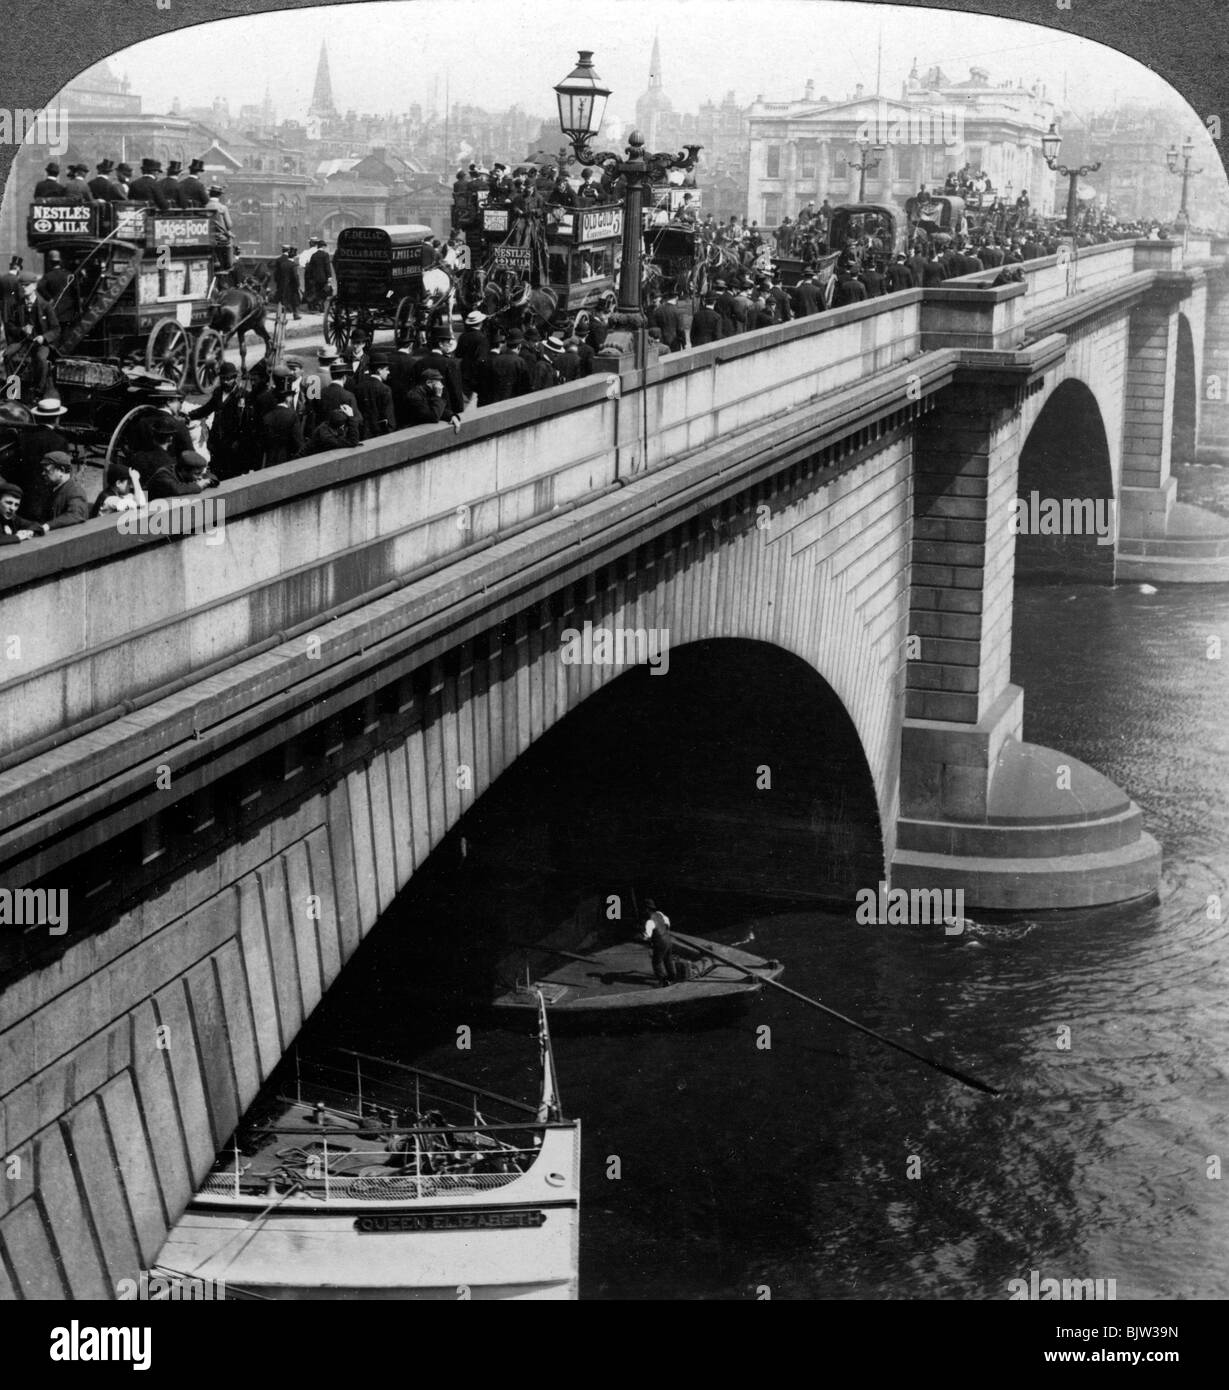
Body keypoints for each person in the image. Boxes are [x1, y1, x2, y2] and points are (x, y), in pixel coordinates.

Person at [188, 361, 253, 479]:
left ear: (235, 378)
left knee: (231, 476)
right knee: (216, 474)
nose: (226, 382)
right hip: (216, 442)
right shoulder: (218, 392)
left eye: (229, 379)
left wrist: (239, 443)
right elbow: (207, 408)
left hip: (232, 444)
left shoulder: (243, 395)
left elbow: (246, 423)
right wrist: (190, 415)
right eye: (223, 379)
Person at [27, 451, 88, 532]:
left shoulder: (75, 491)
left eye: (47, 470)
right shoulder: (53, 487)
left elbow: (75, 515)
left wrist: (47, 526)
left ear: (62, 470)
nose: (43, 473)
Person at [146, 449, 217, 499]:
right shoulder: (163, 475)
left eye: (201, 473)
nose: (200, 477)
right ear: (183, 471)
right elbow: (176, 489)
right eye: (197, 474)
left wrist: (208, 480)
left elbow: (211, 476)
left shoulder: (189, 469)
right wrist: (198, 485)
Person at [640, 898, 676, 987]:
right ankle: (672, 977)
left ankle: (663, 981)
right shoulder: (660, 914)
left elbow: (647, 936)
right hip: (668, 939)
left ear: (647, 909)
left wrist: (643, 935)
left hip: (660, 943)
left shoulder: (649, 922)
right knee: (668, 959)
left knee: (656, 962)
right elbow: (667, 925)